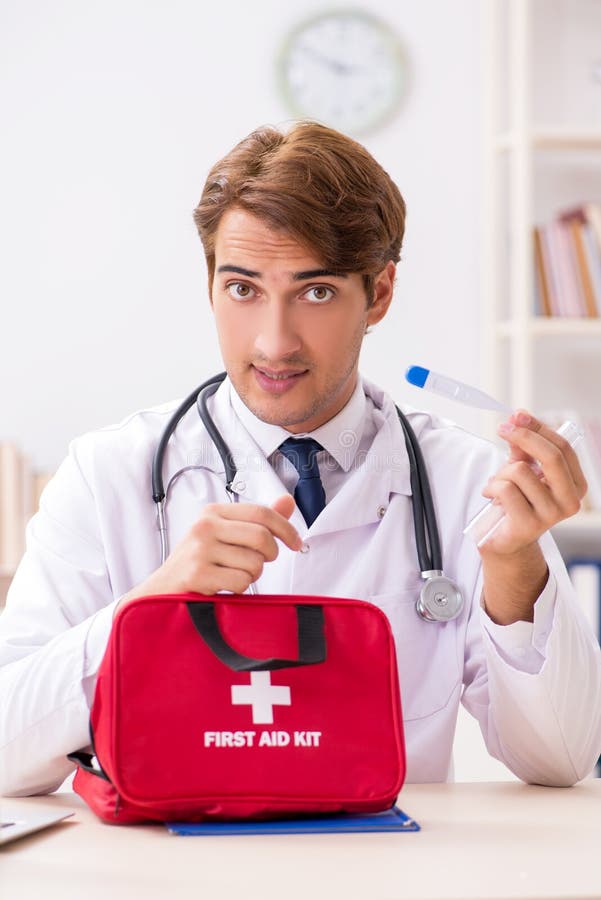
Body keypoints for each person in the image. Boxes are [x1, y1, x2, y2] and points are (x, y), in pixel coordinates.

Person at [1, 122, 600, 797]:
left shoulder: (467, 485)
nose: (273, 342)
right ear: (209, 285)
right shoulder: (109, 472)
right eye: (243, 289)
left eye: (314, 292)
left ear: (377, 294)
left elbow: (561, 759)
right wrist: (150, 608)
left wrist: (514, 567)